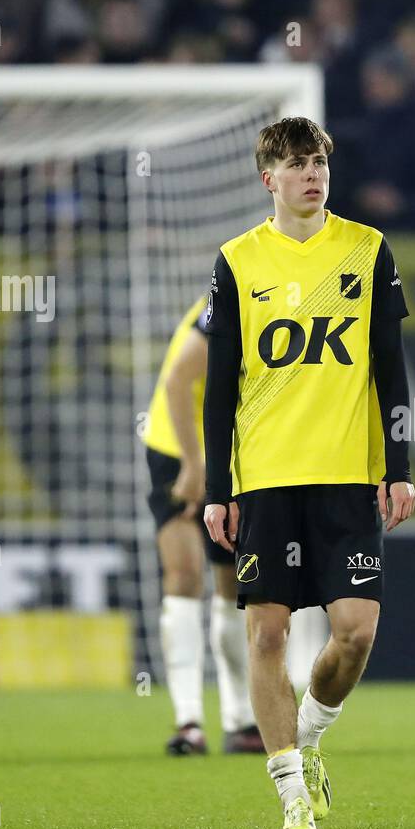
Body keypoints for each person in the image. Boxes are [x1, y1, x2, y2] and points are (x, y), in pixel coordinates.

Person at [201, 117, 415, 829]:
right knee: (268, 634)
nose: (312, 173)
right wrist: (216, 489)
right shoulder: (237, 261)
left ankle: (313, 739)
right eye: (296, 164)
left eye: (319, 161)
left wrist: (399, 468)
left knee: (354, 633)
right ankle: (292, 791)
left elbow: (391, 369)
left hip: (346, 476)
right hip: (265, 478)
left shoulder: (367, 249)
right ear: (270, 177)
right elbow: (219, 386)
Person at [142, 297, 262, 756]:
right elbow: (176, 381)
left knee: (234, 584)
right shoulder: (227, 304)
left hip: (233, 458)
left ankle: (241, 719)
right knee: (185, 573)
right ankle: (188, 720)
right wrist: (194, 467)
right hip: (177, 450)